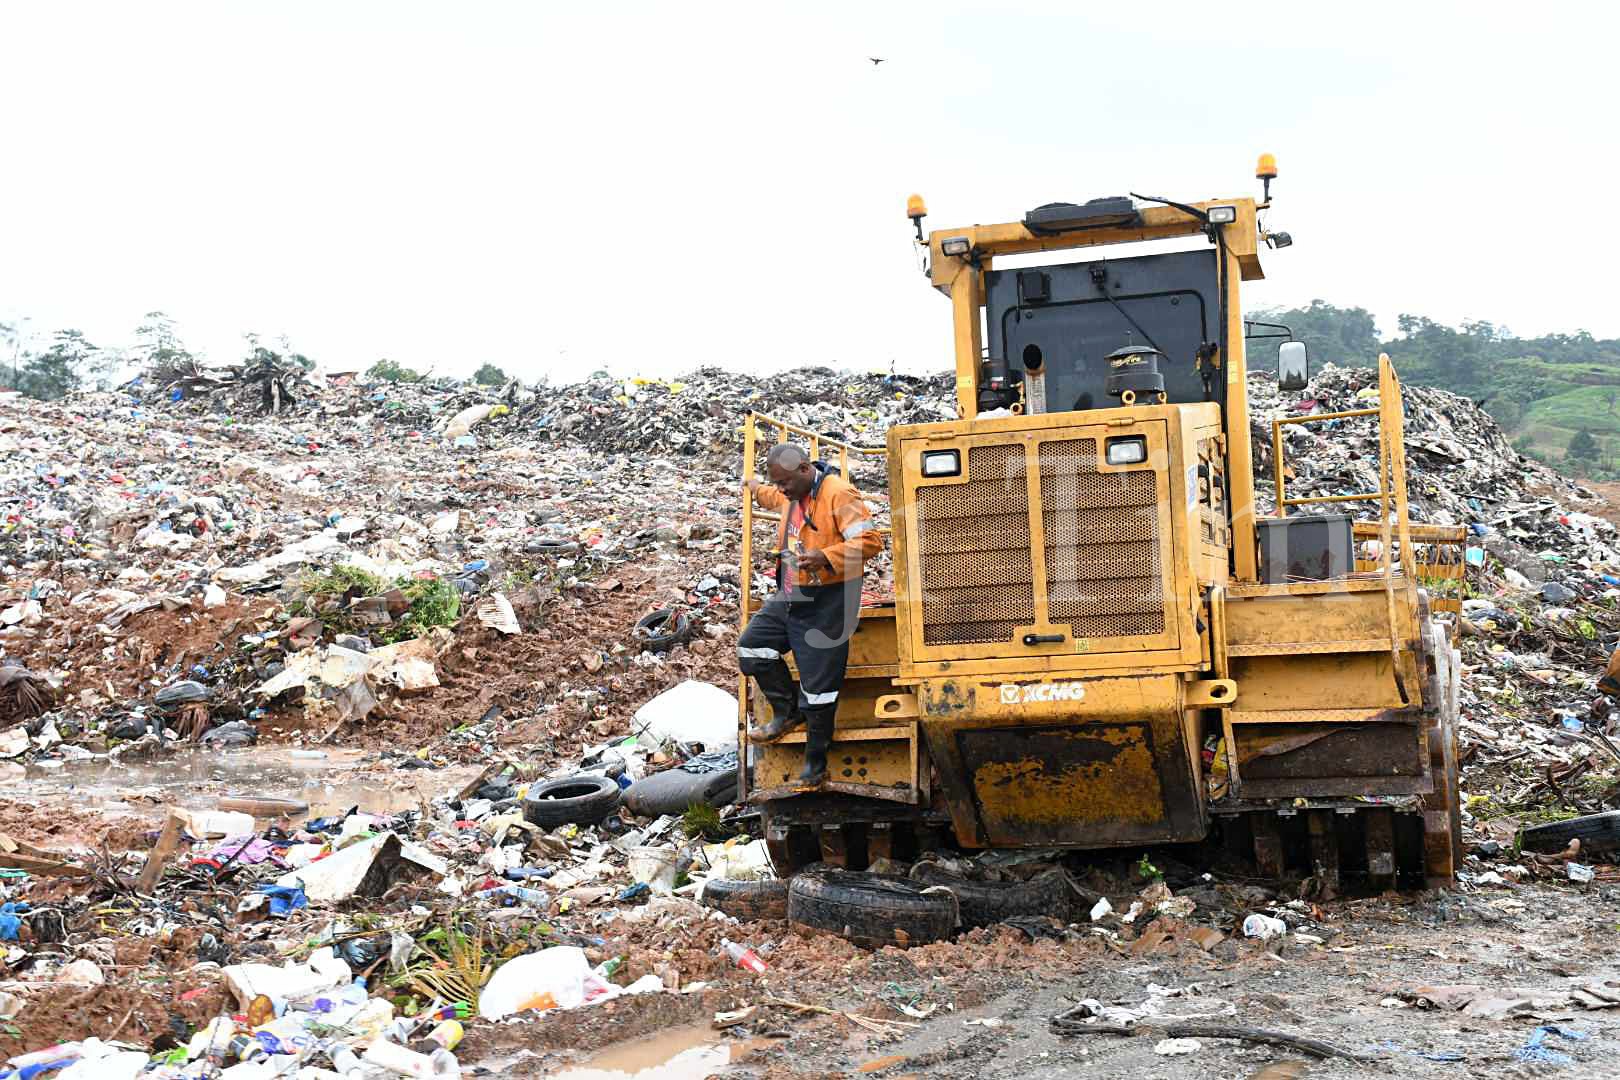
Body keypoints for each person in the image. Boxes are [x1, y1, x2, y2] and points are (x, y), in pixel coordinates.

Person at [738, 443, 883, 786]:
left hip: (831, 598)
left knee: (819, 691)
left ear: (804, 470)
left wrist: (826, 556)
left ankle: (815, 764)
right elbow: (770, 496)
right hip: (792, 593)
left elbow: (871, 542)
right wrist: (754, 486)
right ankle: (786, 714)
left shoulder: (839, 494)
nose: (781, 490)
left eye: (784, 483)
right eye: (778, 484)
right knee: (752, 648)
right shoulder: (790, 491)